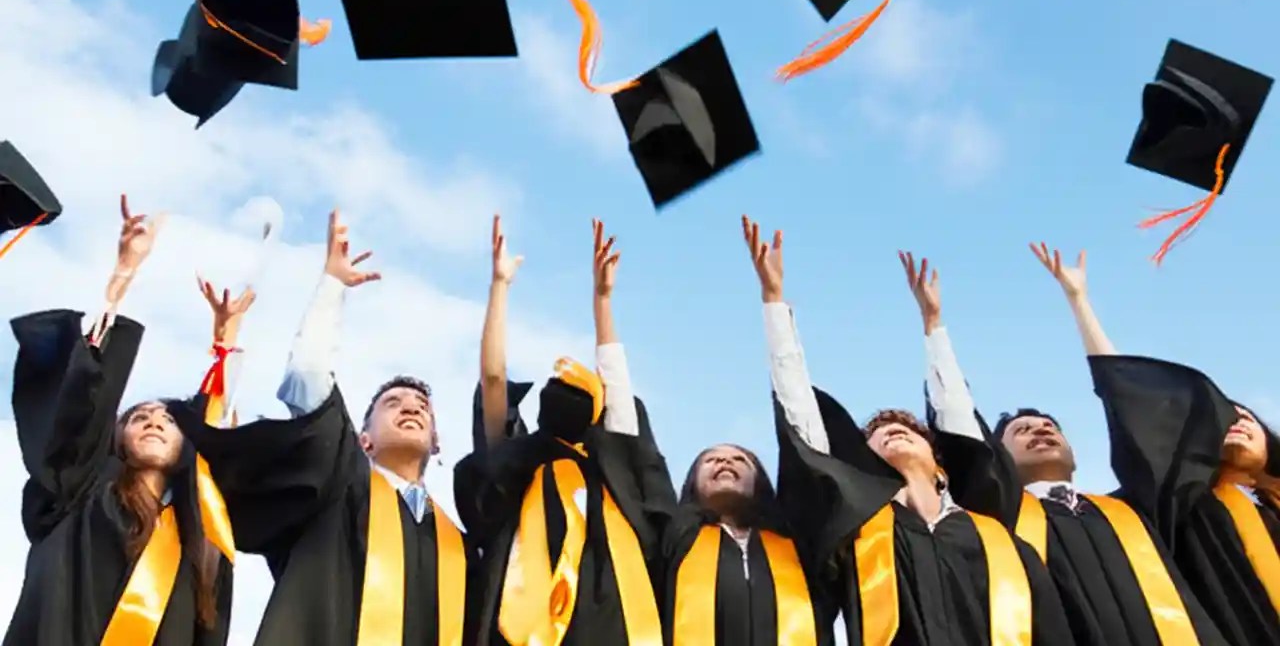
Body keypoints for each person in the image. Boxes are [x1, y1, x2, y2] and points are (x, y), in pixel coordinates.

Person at [171, 209, 475, 646]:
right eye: (393, 403)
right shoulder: (338, 485)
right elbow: (309, 379)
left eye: (421, 406)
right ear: (362, 440)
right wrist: (332, 286)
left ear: (437, 441)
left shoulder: (459, 549)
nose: (411, 408)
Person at [917, 244, 1229, 645]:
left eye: (1049, 426)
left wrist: (1078, 300)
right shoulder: (1002, 517)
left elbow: (1130, 405)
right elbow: (961, 429)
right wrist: (934, 327)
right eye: (1023, 430)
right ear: (1000, 462)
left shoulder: (1136, 508)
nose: (1041, 430)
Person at [773, 241, 1073, 646]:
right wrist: (775, 307)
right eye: (878, 434)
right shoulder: (858, 535)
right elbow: (805, 437)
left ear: (939, 462)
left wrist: (934, 325)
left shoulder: (998, 538)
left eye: (910, 430)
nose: (893, 431)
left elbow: (958, 419)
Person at [4, 195, 236, 646]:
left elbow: (217, 443)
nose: (153, 421)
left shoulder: (200, 542)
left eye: (169, 420)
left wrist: (226, 345)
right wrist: (123, 275)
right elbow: (82, 406)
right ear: (116, 438)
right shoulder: (81, 489)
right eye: (140, 416)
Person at [1030, 244, 1276, 644]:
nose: (1237, 422)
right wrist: (1080, 302)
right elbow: (1128, 400)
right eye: (1225, 418)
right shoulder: (1187, 502)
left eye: (1246, 416)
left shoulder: (1271, 506)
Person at [457, 216, 671, 645]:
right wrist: (500, 287)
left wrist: (603, 302)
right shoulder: (517, 462)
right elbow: (494, 380)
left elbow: (619, 392)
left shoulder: (614, 479)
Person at [655, 216, 835, 646]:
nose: (724, 461)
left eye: (739, 459)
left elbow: (805, 438)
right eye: (711, 459)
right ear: (690, 483)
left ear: (762, 481)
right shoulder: (668, 544)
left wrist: (774, 302)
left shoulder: (798, 540)